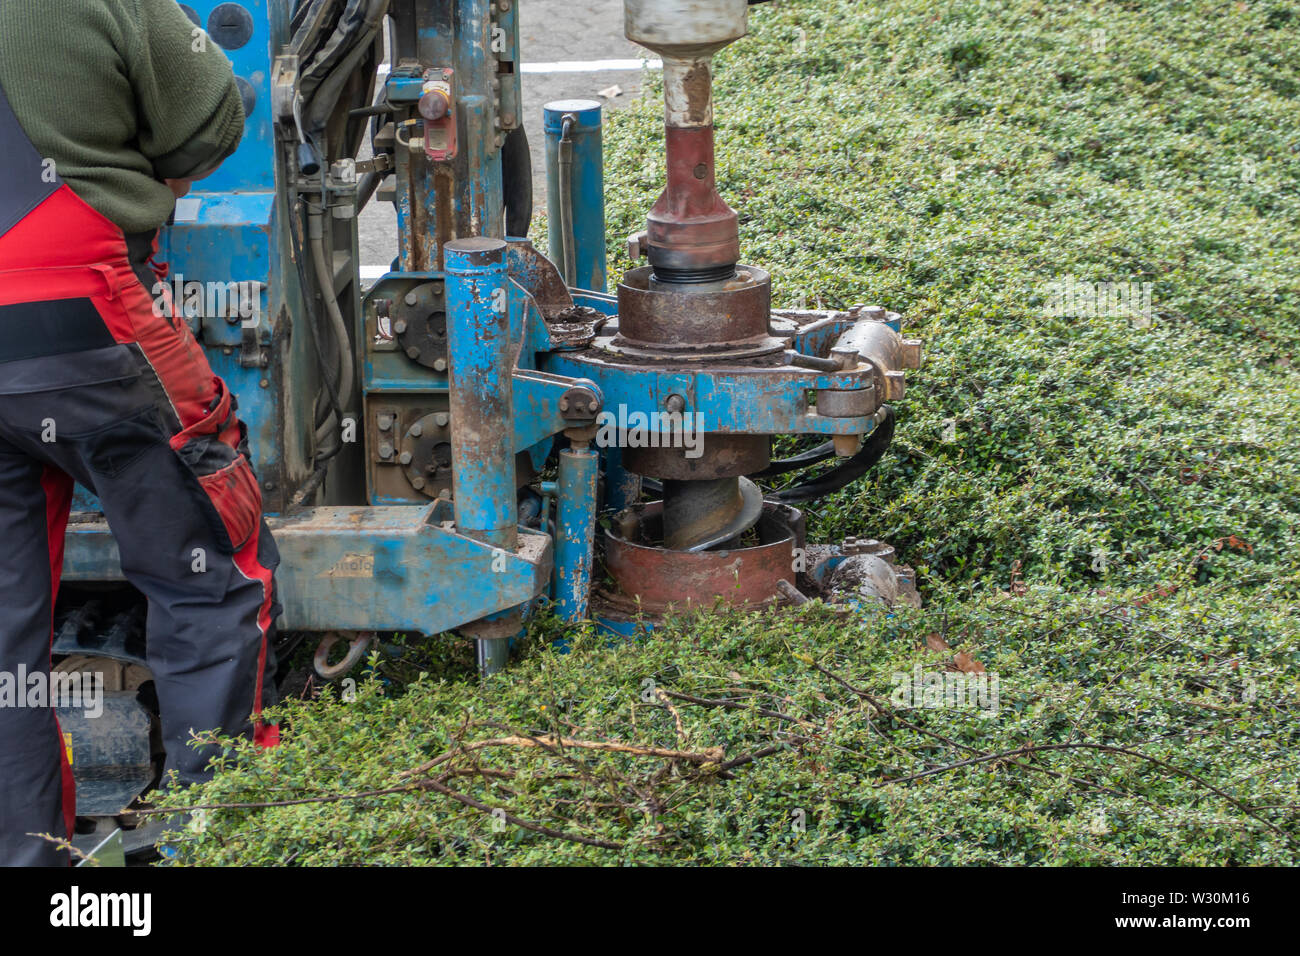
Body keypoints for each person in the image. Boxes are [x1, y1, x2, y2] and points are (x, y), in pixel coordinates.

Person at [0, 0, 280, 866]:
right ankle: (210, 842)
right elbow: (206, 113)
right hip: (81, 314)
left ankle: (33, 864)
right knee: (206, 570)